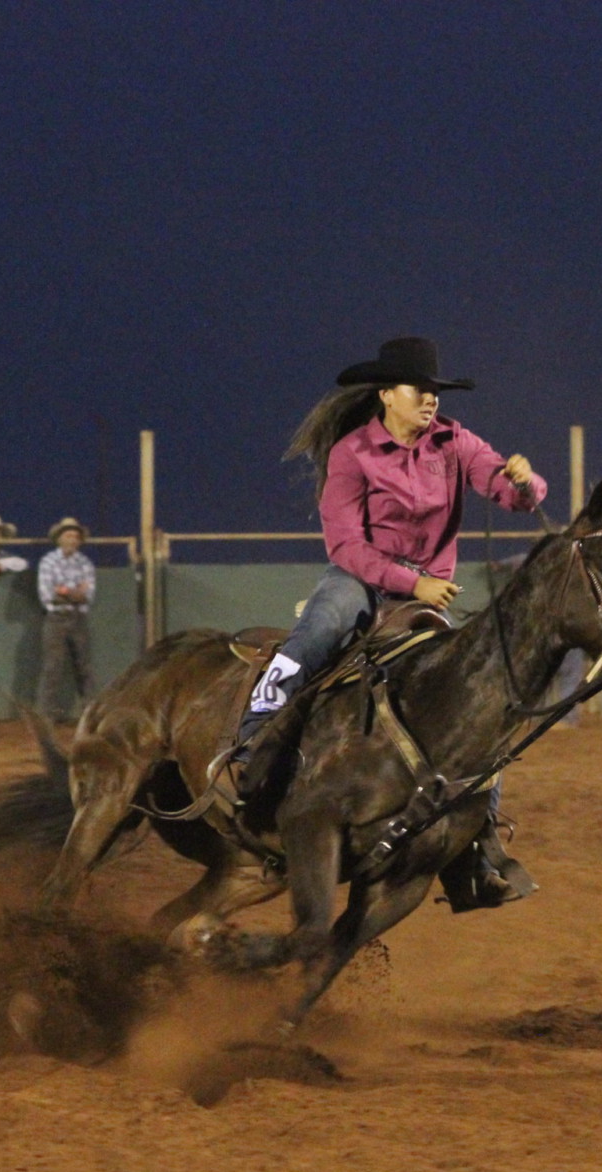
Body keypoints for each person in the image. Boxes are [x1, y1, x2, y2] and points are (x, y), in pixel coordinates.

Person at [231, 336, 547, 904]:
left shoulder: (456, 443)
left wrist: (525, 483)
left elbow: (504, 489)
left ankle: (480, 847)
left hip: (425, 599)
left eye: (433, 390)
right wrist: (414, 582)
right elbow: (345, 546)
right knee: (323, 627)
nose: (430, 399)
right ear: (386, 395)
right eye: (418, 389)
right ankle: (255, 734)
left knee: (479, 698)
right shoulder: (351, 453)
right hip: (363, 581)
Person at [36, 517, 98, 722]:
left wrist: (64, 592)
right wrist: (75, 593)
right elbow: (47, 595)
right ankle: (47, 715)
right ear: (59, 538)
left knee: (84, 667)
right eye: (68, 535)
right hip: (56, 617)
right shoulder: (48, 561)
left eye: (75, 536)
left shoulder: (85, 562)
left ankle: (89, 713)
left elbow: (87, 595)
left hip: (77, 617)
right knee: (53, 666)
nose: (72, 539)